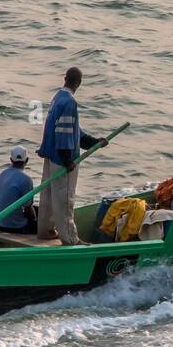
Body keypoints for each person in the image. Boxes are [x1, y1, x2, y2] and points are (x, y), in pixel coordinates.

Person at [36, 67, 108, 245]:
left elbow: (74, 131)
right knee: (64, 199)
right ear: (79, 83)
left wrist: (93, 142)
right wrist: (68, 160)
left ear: (65, 79)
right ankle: (70, 239)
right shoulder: (70, 102)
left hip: (50, 154)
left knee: (48, 196)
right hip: (61, 157)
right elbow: (64, 132)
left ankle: (45, 231)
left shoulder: (58, 97)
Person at [0, 145, 37, 234]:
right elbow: (28, 209)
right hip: (15, 227)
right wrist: (35, 222)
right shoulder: (26, 179)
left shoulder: (2, 174)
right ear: (27, 160)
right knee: (41, 215)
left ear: (11, 160)